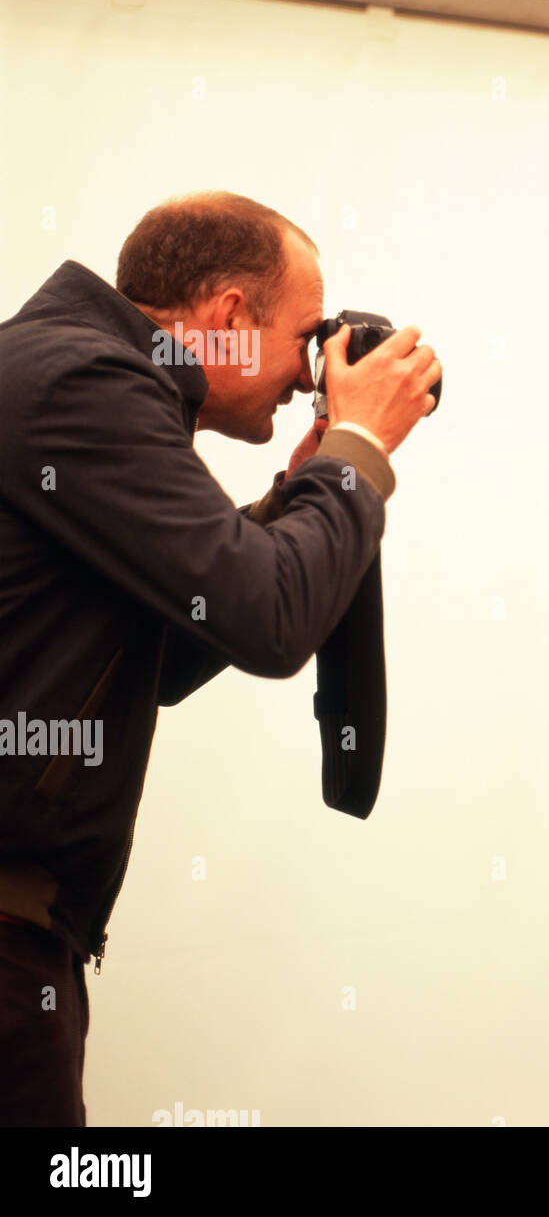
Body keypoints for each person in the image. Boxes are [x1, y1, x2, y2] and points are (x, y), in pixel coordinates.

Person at [0, 191, 441, 1125]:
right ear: (232, 317)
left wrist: (308, 484)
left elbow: (158, 652)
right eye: (305, 333)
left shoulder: (61, 372)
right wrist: (358, 449)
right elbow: (271, 617)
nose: (307, 371)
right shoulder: (87, 380)